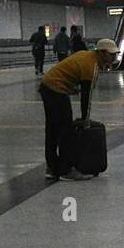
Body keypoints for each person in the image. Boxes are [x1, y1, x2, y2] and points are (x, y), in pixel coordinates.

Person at [39, 37, 118, 180]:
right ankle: (65, 171)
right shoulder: (91, 66)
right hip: (56, 89)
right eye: (111, 54)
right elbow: (86, 98)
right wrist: (85, 120)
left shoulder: (88, 57)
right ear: (101, 53)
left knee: (52, 129)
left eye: (115, 54)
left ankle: (52, 167)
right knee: (65, 131)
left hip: (47, 86)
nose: (114, 57)